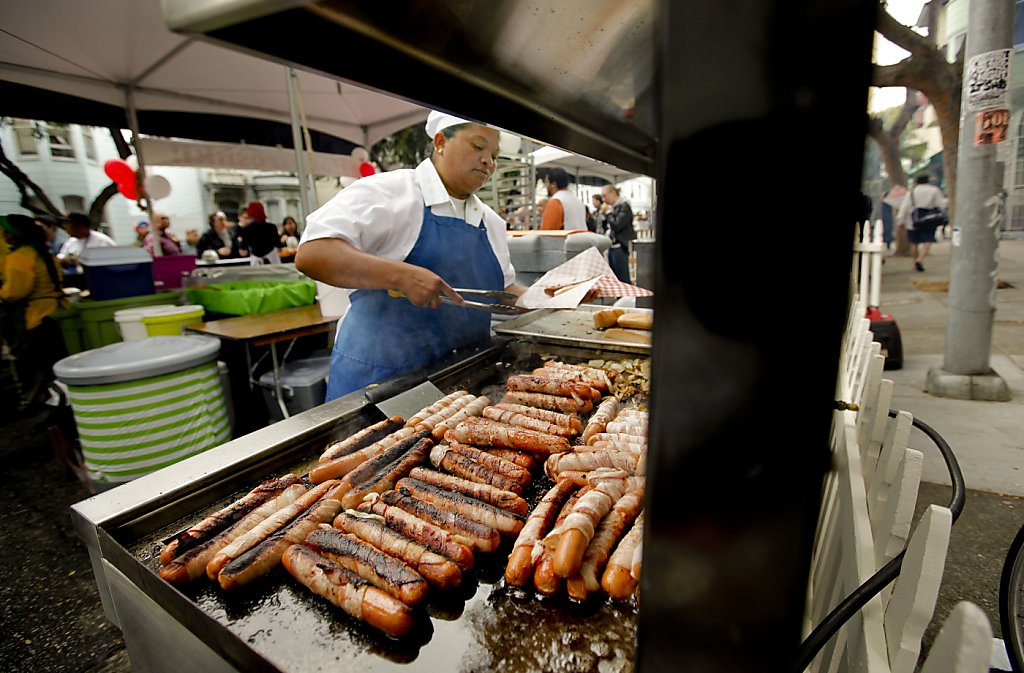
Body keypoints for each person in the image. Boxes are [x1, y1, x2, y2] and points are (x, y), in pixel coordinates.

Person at [296, 110, 526, 401]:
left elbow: (503, 291)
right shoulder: (390, 192)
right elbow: (313, 252)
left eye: (494, 155)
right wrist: (400, 276)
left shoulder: (490, 221)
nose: (488, 162)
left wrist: (557, 300)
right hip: (379, 380)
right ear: (440, 142)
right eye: (478, 146)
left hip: (461, 383)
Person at [0, 214, 67, 413]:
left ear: (12, 235)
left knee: (40, 364)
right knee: (56, 361)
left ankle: (49, 405)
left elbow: (15, 292)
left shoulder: (19, 257)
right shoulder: (41, 252)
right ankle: (61, 402)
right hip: (56, 311)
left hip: (36, 316)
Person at [898, 175, 947, 272]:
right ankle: (920, 259)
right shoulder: (934, 190)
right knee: (928, 240)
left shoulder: (911, 192)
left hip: (913, 221)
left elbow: (905, 206)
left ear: (917, 182)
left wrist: (900, 220)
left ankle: (915, 262)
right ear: (928, 181)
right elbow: (940, 204)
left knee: (914, 243)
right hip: (929, 220)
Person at [601, 184, 636, 283]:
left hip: (620, 246)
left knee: (623, 279)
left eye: (605, 196)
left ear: (612, 193)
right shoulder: (614, 208)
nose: (603, 199)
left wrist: (608, 213)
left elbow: (617, 225)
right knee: (615, 279)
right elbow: (607, 227)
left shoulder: (624, 206)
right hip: (612, 246)